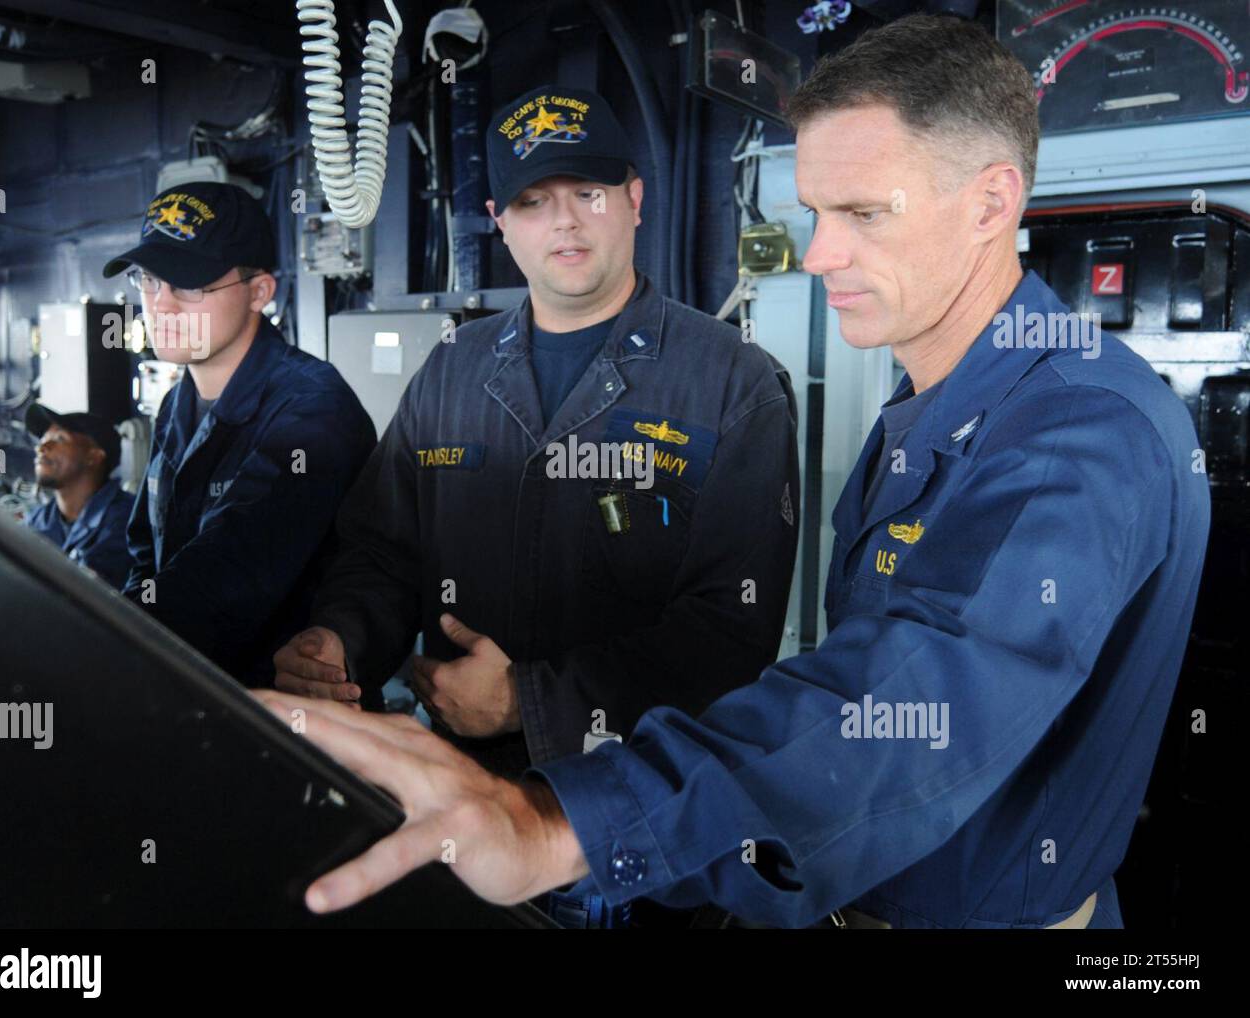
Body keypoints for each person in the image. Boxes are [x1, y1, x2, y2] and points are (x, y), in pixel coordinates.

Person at [256, 15, 1211, 930]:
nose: (818, 252)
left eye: (864, 212)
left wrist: (563, 819)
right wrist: (347, 636)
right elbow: (382, 546)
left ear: (993, 201)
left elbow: (911, 700)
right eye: (816, 213)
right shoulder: (944, 405)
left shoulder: (1081, 427)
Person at [272, 85, 800, 791]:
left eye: (590, 192)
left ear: (635, 199)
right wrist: (340, 640)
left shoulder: (733, 381)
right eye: (532, 201)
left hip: (647, 798)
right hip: (461, 789)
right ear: (498, 221)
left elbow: (732, 631)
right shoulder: (452, 370)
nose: (565, 223)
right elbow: (383, 553)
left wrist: (530, 701)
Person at [105, 182, 376, 685]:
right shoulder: (176, 403)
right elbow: (147, 549)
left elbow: (230, 573)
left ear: (259, 293)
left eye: (188, 285)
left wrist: (102, 643)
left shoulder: (313, 409)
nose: (159, 306)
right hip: (190, 689)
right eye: (148, 280)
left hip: (287, 717)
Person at [24, 404, 134, 588]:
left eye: (59, 438)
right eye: (43, 439)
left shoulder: (130, 522)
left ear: (94, 456)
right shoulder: (35, 522)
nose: (42, 447)